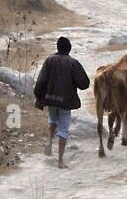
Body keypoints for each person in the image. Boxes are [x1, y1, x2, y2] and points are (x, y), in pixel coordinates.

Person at [33, 36, 90, 168]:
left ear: (57, 47)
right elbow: (84, 84)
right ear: (69, 49)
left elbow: (41, 81)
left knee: (53, 120)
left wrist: (38, 95)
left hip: (51, 99)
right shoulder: (73, 63)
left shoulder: (49, 60)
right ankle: (60, 160)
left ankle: (48, 141)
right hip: (65, 101)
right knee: (63, 128)